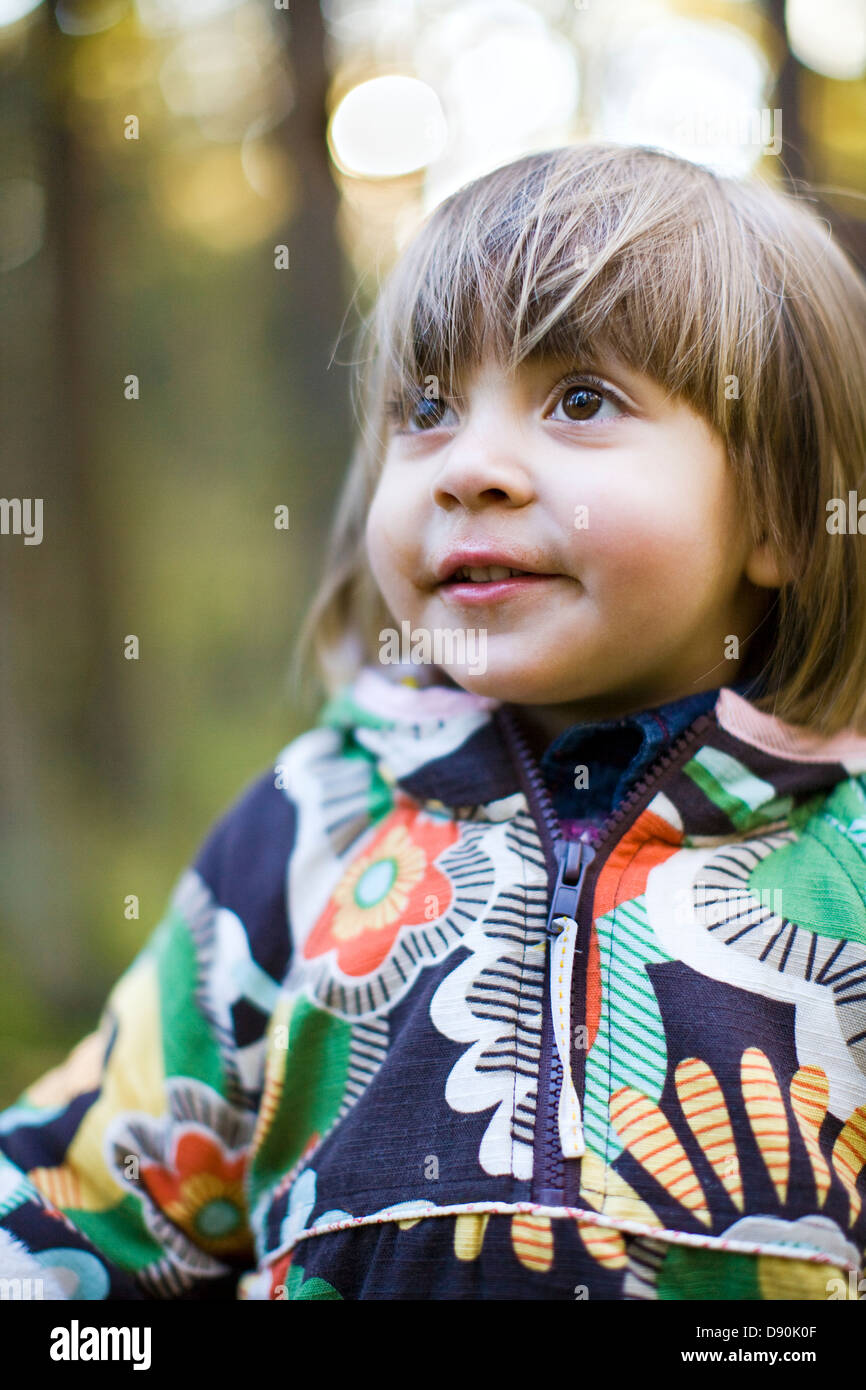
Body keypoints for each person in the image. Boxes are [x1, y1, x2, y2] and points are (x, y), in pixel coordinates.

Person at [2, 142, 865, 1301]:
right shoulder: (310, 828)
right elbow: (81, 1200)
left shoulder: (844, 859)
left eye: (579, 399)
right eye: (425, 408)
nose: (470, 466)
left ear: (779, 515)